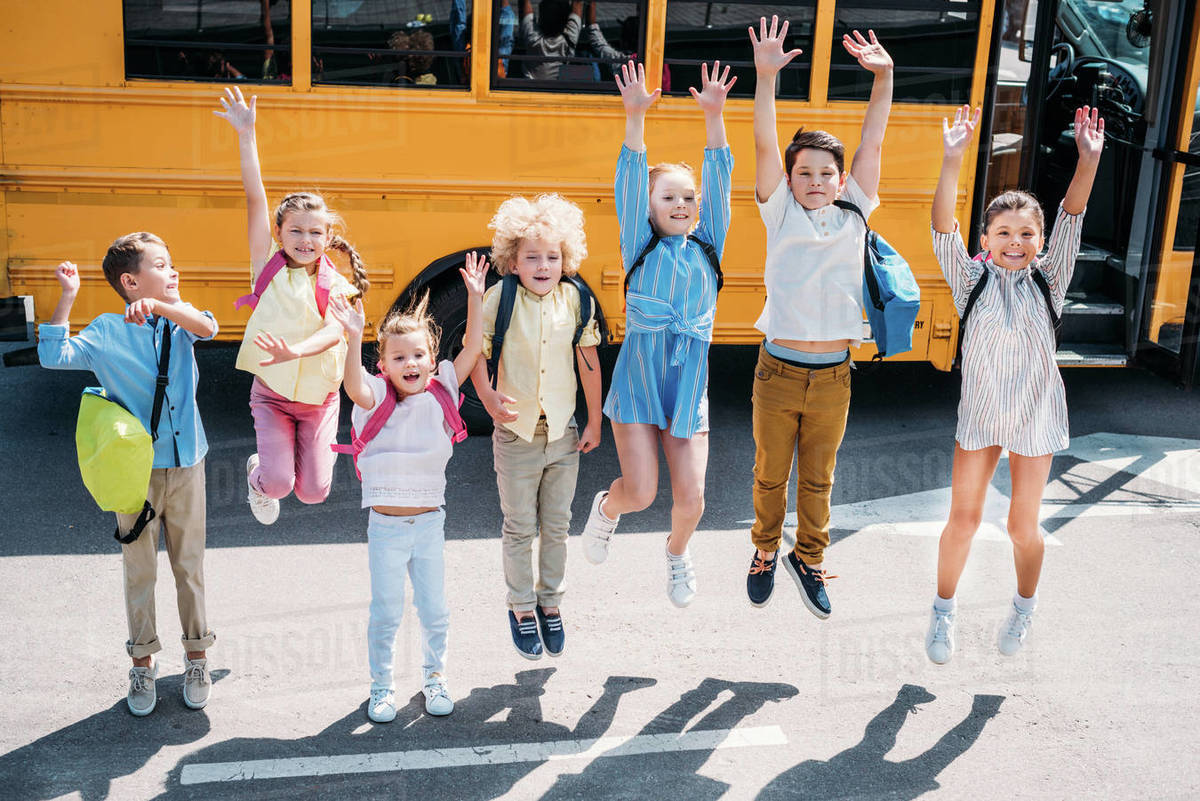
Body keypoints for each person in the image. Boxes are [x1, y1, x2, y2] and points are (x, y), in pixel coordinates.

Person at [925, 104, 1103, 663]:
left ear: (1040, 240)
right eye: (1003, 232)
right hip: (980, 417)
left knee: (1023, 527)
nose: (1015, 241)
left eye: (1026, 233)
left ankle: (1024, 609)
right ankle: (942, 613)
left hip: (1034, 416)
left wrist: (1088, 162)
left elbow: (1073, 214)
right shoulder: (970, 279)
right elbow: (941, 227)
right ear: (987, 236)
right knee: (963, 521)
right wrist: (953, 156)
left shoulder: (1050, 279)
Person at [743, 17, 893, 619]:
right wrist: (765, 79)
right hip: (777, 372)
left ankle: (808, 557)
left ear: (841, 180)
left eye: (825, 173)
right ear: (789, 177)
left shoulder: (855, 210)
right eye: (803, 171)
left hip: (834, 375)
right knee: (769, 475)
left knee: (819, 481)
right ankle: (762, 550)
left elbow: (873, 143)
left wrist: (883, 79)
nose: (815, 181)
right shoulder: (779, 212)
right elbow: (761, 142)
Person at [38, 234, 219, 716]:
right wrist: (68, 298)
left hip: (186, 463)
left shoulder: (177, 321)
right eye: (162, 264)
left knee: (190, 566)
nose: (173, 268)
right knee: (140, 571)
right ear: (130, 280)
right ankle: (142, 664)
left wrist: (164, 304)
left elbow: (206, 328)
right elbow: (53, 357)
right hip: (133, 473)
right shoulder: (105, 331)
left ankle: (197, 656)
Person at [579, 60, 735, 607]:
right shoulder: (637, 245)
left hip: (689, 386)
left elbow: (720, 181)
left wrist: (713, 116)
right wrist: (634, 118)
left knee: (690, 502)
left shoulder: (708, 243)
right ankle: (605, 511)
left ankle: (677, 553)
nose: (682, 204)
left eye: (688, 197)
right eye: (669, 197)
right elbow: (628, 179)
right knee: (641, 493)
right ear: (647, 207)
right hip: (639, 383)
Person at [327, 254, 488, 723]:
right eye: (399, 357)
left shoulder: (442, 388)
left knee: (435, 610)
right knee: (386, 613)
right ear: (385, 364)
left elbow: (473, 346)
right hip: (386, 528)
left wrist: (475, 300)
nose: (410, 363)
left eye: (418, 355)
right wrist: (353, 336)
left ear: (431, 359)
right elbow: (353, 383)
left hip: (429, 525)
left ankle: (435, 678)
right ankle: (382, 687)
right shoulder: (374, 396)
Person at [214, 86, 369, 526]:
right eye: (296, 231)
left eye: (315, 233)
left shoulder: (337, 284)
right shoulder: (266, 265)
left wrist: (296, 351)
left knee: (315, 492)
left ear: (327, 237)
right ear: (280, 234)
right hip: (273, 395)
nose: (305, 240)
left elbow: (334, 332)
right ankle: (258, 476)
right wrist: (246, 134)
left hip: (319, 400)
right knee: (279, 484)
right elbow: (254, 197)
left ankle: (274, 469)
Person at [468, 194, 602, 660]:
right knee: (520, 526)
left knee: (558, 526)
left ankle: (551, 602)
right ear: (512, 260)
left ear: (566, 259)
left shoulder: (576, 299)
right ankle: (522, 606)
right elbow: (477, 351)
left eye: (552, 256)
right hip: (516, 434)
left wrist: (595, 420)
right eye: (532, 257)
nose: (543, 265)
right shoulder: (500, 298)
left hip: (563, 432)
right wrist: (485, 396)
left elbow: (588, 364)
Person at [518, 0, 583, 79]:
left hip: (528, 88)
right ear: (566, 19)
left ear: (541, 17)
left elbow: (524, 4)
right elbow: (577, 3)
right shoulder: (570, 38)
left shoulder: (533, 38)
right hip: (558, 88)